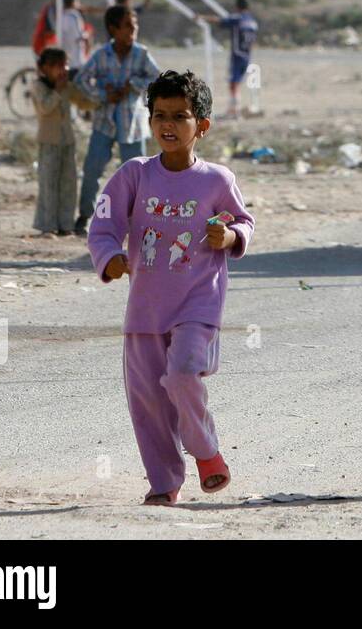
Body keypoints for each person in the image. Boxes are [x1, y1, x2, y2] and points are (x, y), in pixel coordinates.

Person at [87, 69, 254, 505]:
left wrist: (230, 236)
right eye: (159, 114)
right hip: (144, 310)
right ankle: (164, 483)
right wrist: (111, 258)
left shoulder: (217, 180)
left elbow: (242, 222)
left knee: (182, 376)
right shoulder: (134, 175)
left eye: (180, 116)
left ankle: (206, 452)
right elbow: (102, 225)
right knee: (147, 403)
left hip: (197, 305)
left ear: (202, 124)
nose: (168, 125)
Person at [73, 6, 161, 234]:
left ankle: (138, 220)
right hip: (104, 121)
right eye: (128, 26)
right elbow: (82, 80)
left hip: (132, 124)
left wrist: (133, 86)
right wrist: (103, 95)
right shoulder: (102, 55)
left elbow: (157, 78)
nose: (134, 30)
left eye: (135, 25)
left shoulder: (142, 54)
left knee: (137, 175)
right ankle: (84, 215)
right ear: (113, 29)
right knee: (92, 169)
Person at [30, 47, 87, 236]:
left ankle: (66, 224)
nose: (62, 70)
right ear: (44, 68)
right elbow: (45, 108)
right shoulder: (39, 86)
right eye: (57, 66)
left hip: (67, 141)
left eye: (64, 65)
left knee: (68, 183)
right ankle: (47, 225)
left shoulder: (66, 86)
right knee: (49, 183)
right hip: (49, 142)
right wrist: (57, 90)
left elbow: (82, 101)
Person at [200, 0, 257, 119]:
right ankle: (234, 110)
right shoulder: (252, 21)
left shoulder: (238, 18)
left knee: (233, 84)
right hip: (247, 55)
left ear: (237, 7)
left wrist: (202, 17)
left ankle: (234, 111)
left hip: (237, 55)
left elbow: (220, 21)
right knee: (236, 83)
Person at [57, 0, 91, 72]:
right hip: (77, 63)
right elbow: (83, 38)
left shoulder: (61, 18)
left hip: (67, 63)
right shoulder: (74, 16)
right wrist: (86, 55)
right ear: (73, 1)